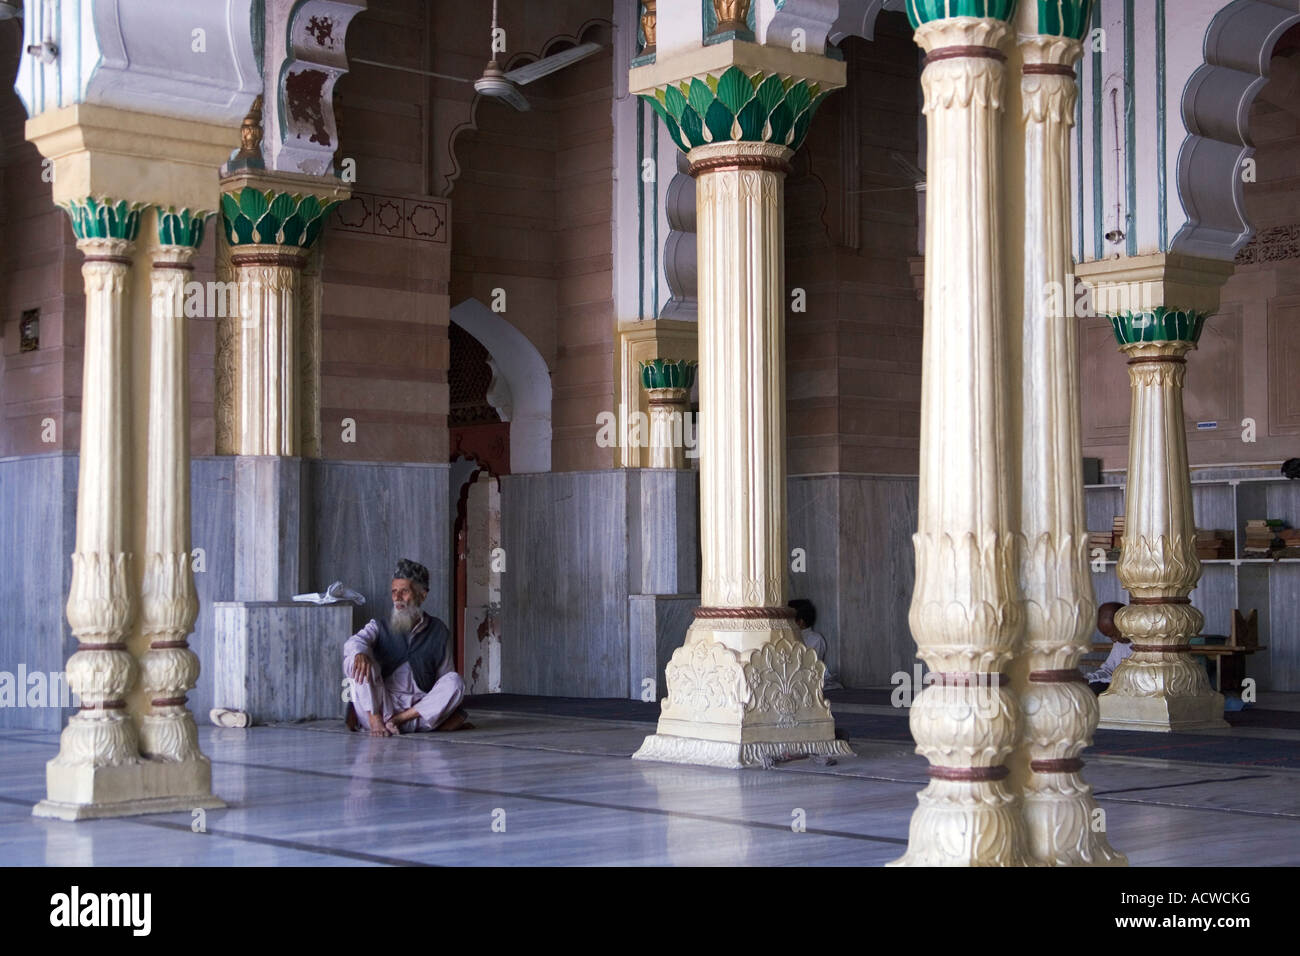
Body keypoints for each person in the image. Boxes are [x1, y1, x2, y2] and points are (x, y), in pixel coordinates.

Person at [343, 558, 471, 736]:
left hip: (416, 713)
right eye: (394, 592)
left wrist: (436, 707)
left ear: (422, 594)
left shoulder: (439, 631)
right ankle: (376, 721)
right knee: (354, 659)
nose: (397, 598)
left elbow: (445, 679)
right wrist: (359, 653)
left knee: (455, 681)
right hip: (380, 706)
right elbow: (353, 642)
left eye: (404, 591)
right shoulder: (379, 626)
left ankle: (398, 721)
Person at [788, 598, 841, 690]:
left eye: (789, 619)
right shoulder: (788, 638)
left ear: (800, 622)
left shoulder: (816, 639)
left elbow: (809, 666)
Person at [1085, 601, 1131, 695]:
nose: (1114, 640)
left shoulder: (1144, 643)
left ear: (1125, 622)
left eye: (1114, 634)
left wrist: (1099, 682)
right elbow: (1108, 670)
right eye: (1110, 636)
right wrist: (1088, 678)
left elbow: (1128, 678)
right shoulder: (1120, 643)